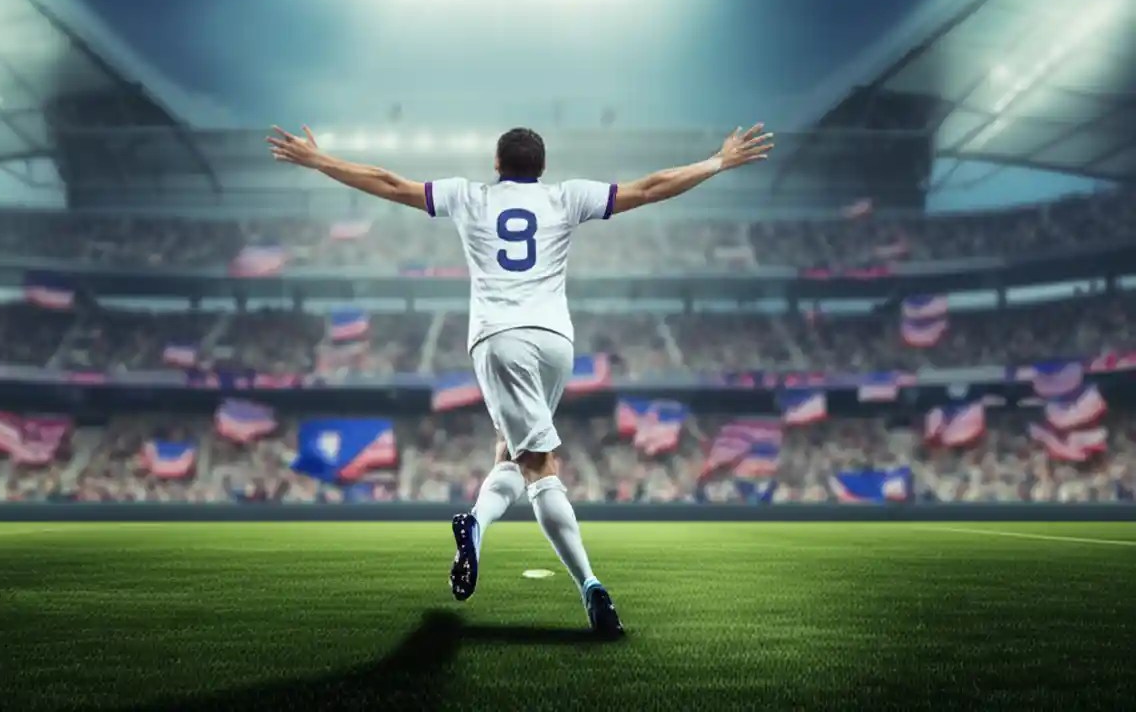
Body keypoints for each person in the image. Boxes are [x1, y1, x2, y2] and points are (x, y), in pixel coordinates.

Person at [267, 123, 773, 635]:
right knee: (510, 454)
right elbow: (649, 187)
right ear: (542, 167)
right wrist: (717, 161)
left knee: (539, 464)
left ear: (496, 164)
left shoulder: (469, 197)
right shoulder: (566, 198)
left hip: (499, 337)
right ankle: (491, 534)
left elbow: (389, 183)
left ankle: (586, 583)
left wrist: (320, 161)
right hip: (556, 343)